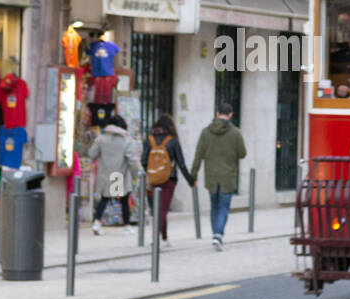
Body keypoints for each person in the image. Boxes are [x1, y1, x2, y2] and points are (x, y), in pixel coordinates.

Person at [191, 101, 248, 251]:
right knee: (223, 207)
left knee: (214, 207)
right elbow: (242, 153)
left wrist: (193, 175)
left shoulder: (205, 132)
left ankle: (216, 234)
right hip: (227, 176)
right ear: (230, 115)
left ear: (217, 114)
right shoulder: (235, 133)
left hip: (211, 176)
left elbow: (198, 155)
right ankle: (218, 235)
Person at [142, 113, 195, 248]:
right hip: (169, 180)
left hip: (153, 179)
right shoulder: (173, 141)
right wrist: (190, 180)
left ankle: (164, 238)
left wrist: (153, 171)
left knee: (158, 209)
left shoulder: (149, 140)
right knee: (163, 209)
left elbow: (143, 160)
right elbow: (181, 163)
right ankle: (156, 238)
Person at [89, 114, 140, 236]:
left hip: (104, 174)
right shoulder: (126, 140)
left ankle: (96, 222)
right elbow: (132, 160)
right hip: (119, 175)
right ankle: (127, 226)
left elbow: (91, 154)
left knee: (104, 199)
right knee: (124, 200)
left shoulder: (101, 138)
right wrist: (136, 175)